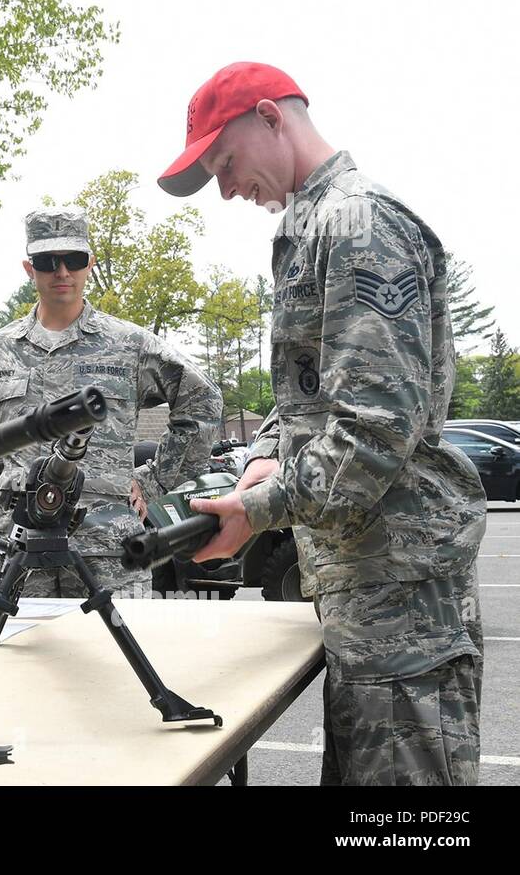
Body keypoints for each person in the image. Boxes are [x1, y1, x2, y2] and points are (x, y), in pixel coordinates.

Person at [158, 61, 486, 785]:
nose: (226, 187)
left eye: (226, 161)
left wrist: (257, 509)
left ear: (272, 118)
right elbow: (312, 394)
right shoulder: (311, 226)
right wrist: (265, 455)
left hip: (402, 611)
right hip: (366, 601)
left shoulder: (358, 223)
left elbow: (374, 427)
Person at [0, 208, 220, 597]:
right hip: (23, 547)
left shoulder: (130, 345)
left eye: (74, 260)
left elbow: (203, 401)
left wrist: (154, 480)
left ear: (90, 264)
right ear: (29, 268)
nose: (62, 272)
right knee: (29, 653)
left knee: (114, 655)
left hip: (109, 548)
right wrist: (4, 488)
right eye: (47, 261)